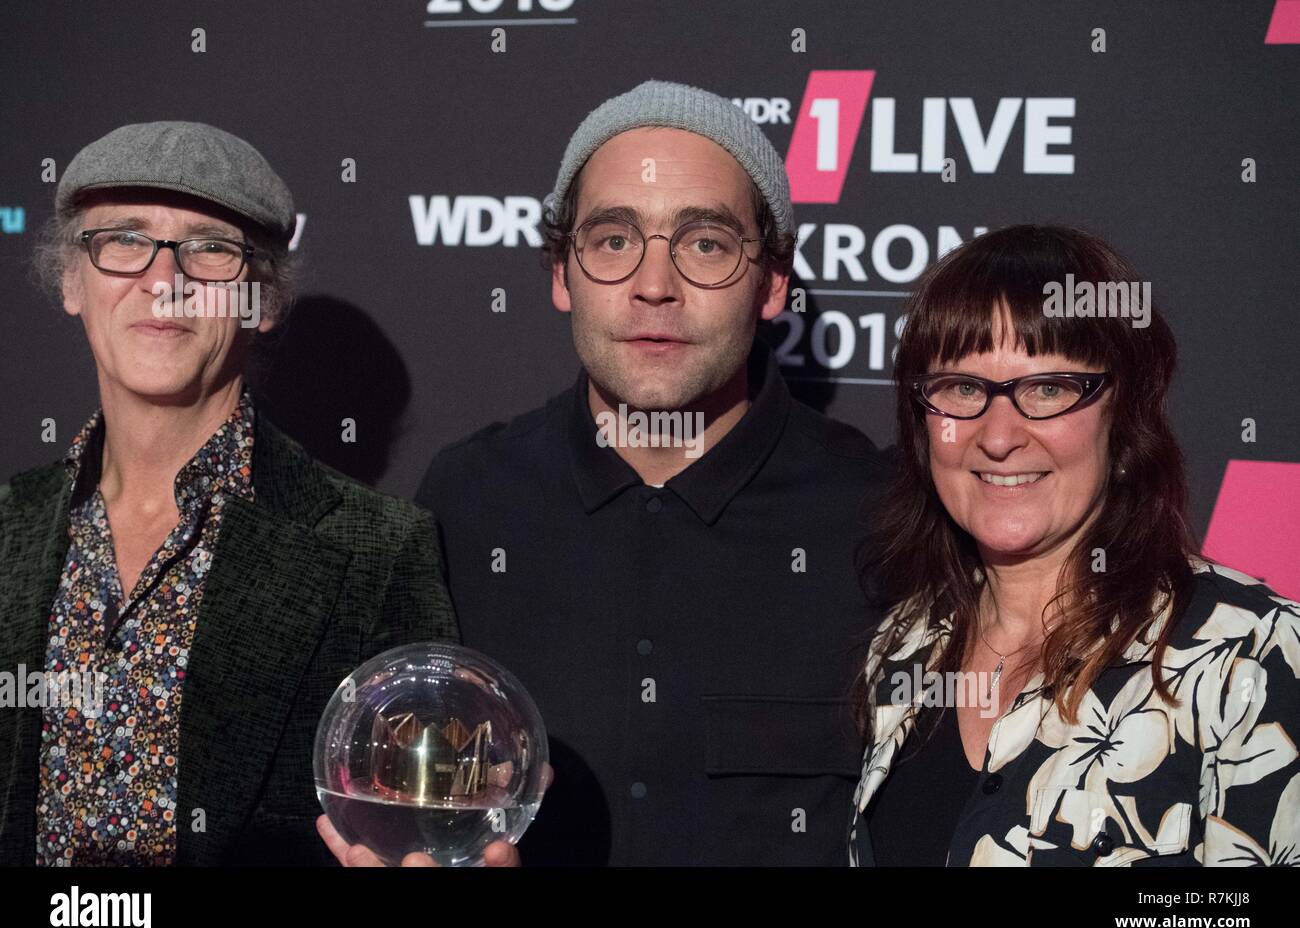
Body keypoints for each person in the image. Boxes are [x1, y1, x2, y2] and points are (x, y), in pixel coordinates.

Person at [407, 80, 894, 866]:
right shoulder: (465, 500)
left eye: (705, 243)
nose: (654, 285)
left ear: (772, 283)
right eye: (612, 240)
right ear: (562, 274)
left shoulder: (883, 515)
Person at [0, 121, 470, 866]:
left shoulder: (377, 553)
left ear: (265, 299)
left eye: (209, 248)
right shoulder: (7, 530)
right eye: (123, 239)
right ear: (69, 280)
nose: (165, 280)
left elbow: (424, 830)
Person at [848, 224, 1300, 867]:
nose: (998, 435)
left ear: (1125, 415)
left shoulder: (1249, 654)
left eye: (1049, 388)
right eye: (963, 388)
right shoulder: (902, 645)